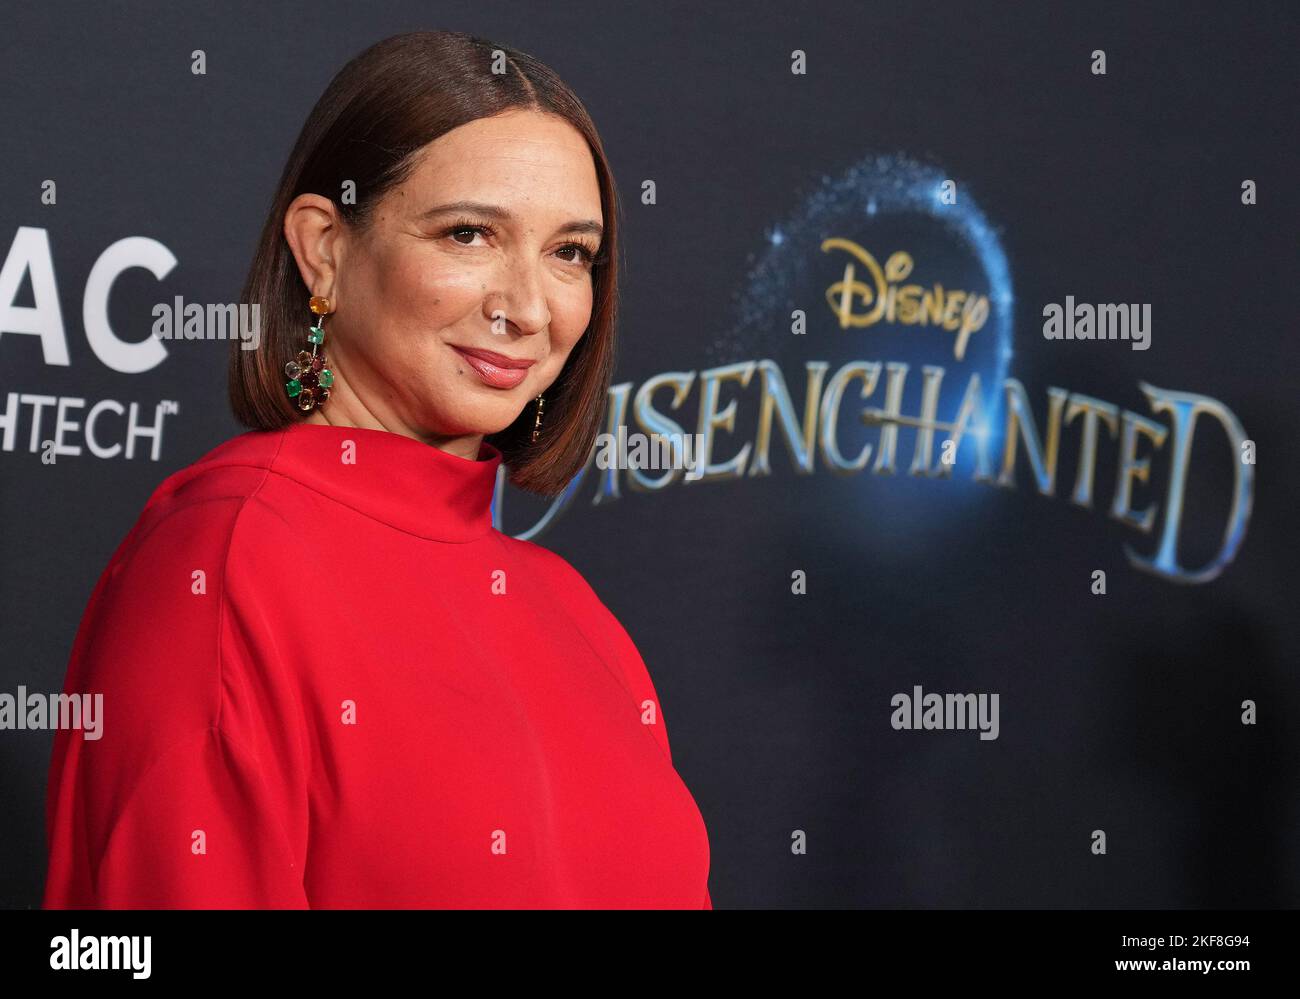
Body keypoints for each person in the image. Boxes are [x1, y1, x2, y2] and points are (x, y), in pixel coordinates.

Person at [42, 30, 711, 909]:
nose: (525, 306)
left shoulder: (580, 619)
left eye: (570, 253)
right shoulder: (226, 558)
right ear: (324, 248)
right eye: (470, 234)